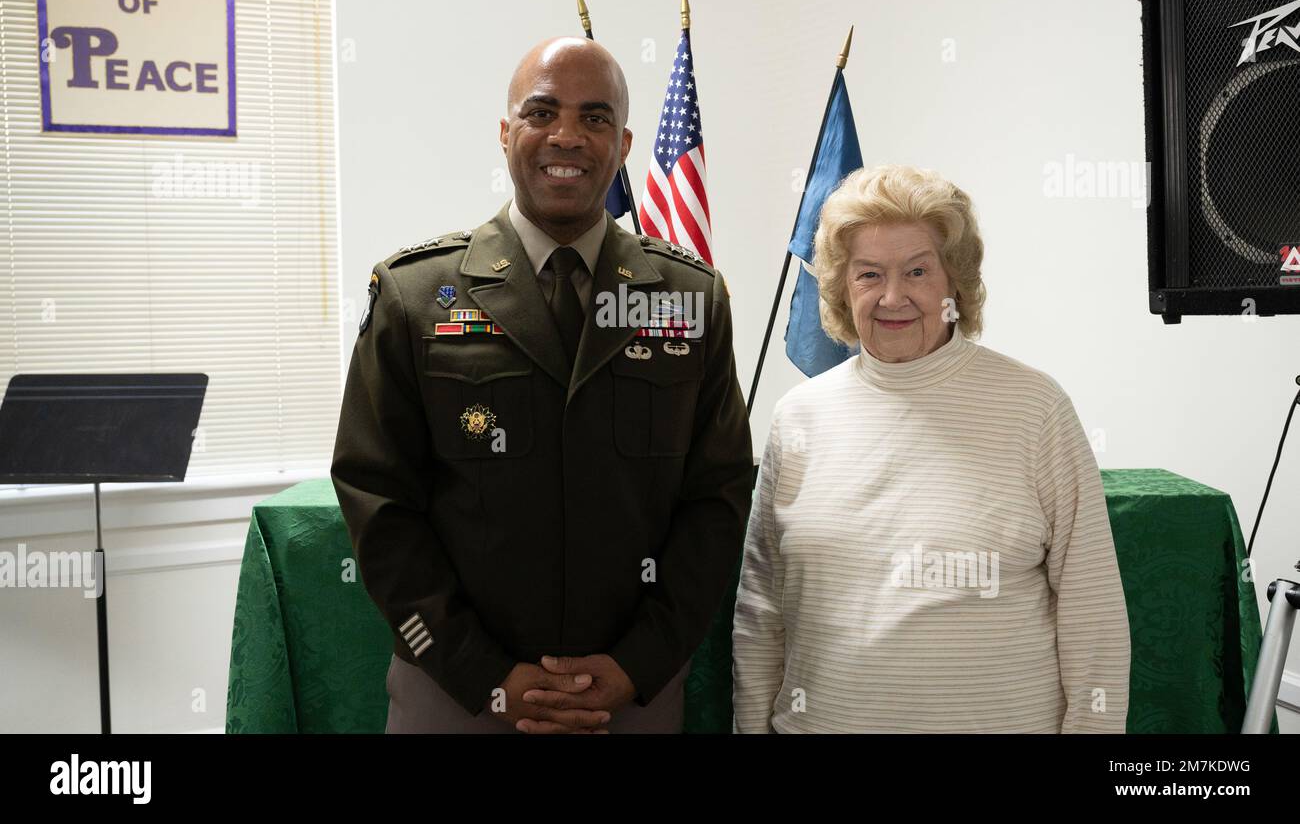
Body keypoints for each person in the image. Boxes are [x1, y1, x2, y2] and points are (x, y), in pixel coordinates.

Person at [331, 36, 752, 734]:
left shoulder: (688, 296)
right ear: (506, 132)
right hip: (458, 697)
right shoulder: (414, 296)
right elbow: (378, 500)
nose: (567, 135)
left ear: (622, 143)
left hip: (627, 700)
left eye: (594, 118)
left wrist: (636, 666)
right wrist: (480, 673)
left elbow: (717, 497)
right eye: (542, 112)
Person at [732, 163, 1130, 733]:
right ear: (843, 286)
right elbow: (761, 610)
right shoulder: (799, 416)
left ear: (955, 284)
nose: (893, 296)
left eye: (917, 271)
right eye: (869, 274)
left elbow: (1092, 610)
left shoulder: (1035, 407)